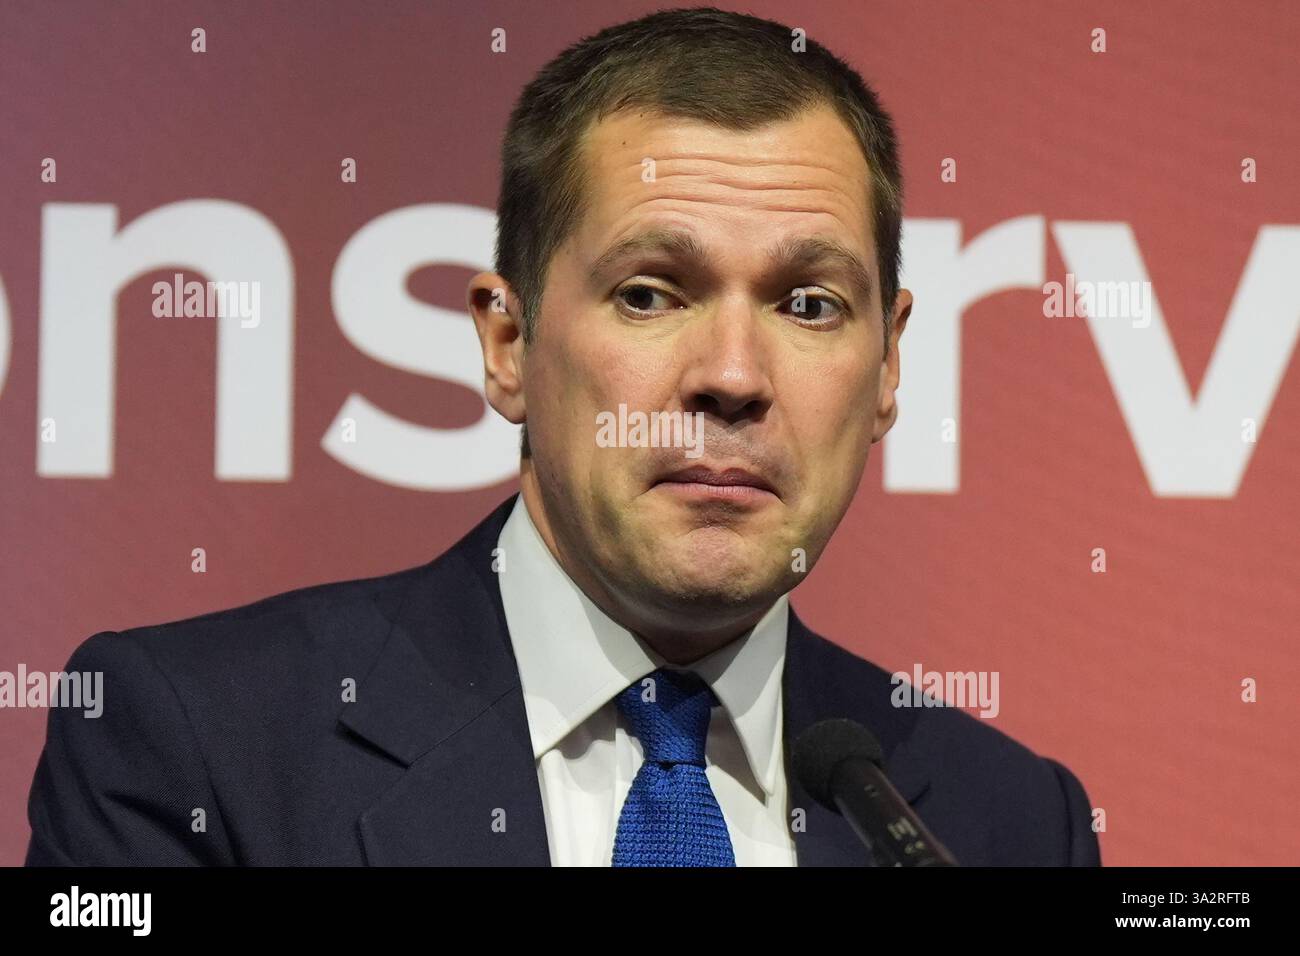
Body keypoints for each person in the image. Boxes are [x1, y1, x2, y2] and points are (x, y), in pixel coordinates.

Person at [25, 6, 1100, 867]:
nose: (731, 376)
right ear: (507, 342)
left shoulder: (1006, 818)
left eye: (808, 305)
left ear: (888, 368)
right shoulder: (198, 744)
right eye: (648, 293)